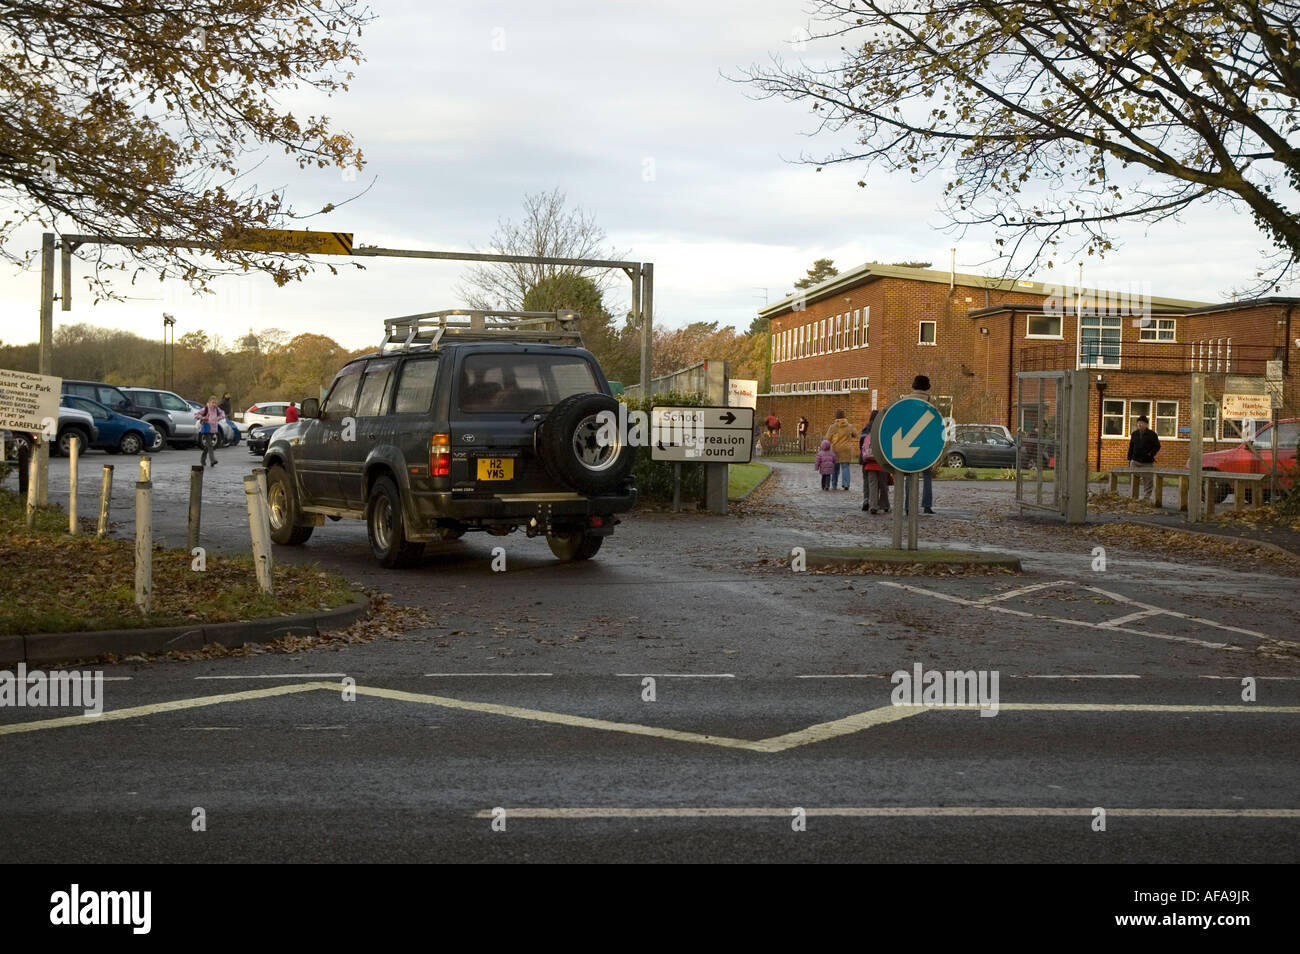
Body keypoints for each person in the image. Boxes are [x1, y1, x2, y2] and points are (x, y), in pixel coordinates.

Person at [901, 374, 936, 514]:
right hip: (925, 443)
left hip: (908, 442)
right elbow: (934, 424)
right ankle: (927, 505)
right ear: (927, 386)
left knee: (909, 475)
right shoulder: (931, 401)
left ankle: (908, 506)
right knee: (927, 475)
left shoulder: (905, 400)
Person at [860, 409, 891, 514]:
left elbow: (861, 445)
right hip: (881, 463)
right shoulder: (884, 429)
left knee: (871, 484)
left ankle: (873, 505)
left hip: (869, 463)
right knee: (883, 484)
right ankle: (885, 504)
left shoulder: (866, 429)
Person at [1127, 414, 1161, 501]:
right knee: (1133, 479)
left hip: (1147, 462)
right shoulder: (1134, 434)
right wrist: (1129, 459)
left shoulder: (1152, 434)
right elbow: (1131, 447)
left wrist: (1151, 454)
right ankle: (1133, 497)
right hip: (1135, 460)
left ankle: (1146, 498)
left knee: (1148, 480)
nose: (1139, 424)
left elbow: (1157, 446)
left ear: (1146, 424)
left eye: (1141, 423)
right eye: (1138, 423)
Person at [824, 409, 858, 490]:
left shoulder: (833, 427)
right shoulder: (849, 426)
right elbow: (855, 434)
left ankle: (834, 484)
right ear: (844, 416)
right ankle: (846, 484)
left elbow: (827, 438)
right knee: (845, 467)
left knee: (835, 468)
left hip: (836, 449)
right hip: (846, 449)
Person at [194, 395, 226, 467]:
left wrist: (219, 418)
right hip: (206, 428)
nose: (214, 404)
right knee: (210, 445)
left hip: (213, 429)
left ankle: (202, 459)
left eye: (215, 403)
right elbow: (196, 415)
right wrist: (203, 417)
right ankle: (213, 460)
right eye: (212, 402)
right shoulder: (205, 409)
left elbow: (222, 413)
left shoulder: (217, 409)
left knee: (208, 445)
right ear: (209, 402)